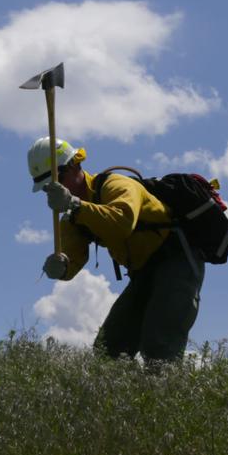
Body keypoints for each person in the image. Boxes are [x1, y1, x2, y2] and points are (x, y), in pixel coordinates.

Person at [29, 137, 204, 369]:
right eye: (47, 188)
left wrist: (75, 205)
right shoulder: (71, 217)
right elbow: (73, 257)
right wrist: (61, 267)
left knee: (160, 347)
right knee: (109, 349)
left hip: (176, 261)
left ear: (75, 166)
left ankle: (165, 401)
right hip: (143, 274)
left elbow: (121, 223)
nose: (54, 189)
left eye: (57, 180)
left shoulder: (116, 185)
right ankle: (120, 403)